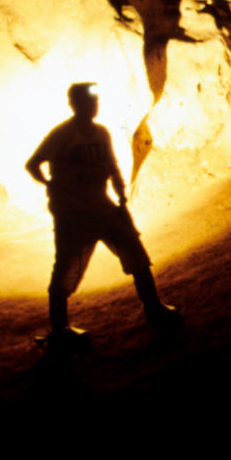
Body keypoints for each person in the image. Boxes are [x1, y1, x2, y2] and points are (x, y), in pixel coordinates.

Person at [25, 82, 176, 343]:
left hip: (101, 206)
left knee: (134, 250)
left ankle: (153, 307)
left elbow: (112, 165)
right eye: (87, 102)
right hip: (73, 213)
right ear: (74, 105)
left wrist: (120, 195)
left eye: (95, 102)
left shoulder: (101, 133)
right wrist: (51, 185)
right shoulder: (61, 135)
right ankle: (59, 330)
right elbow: (33, 164)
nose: (93, 107)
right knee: (66, 267)